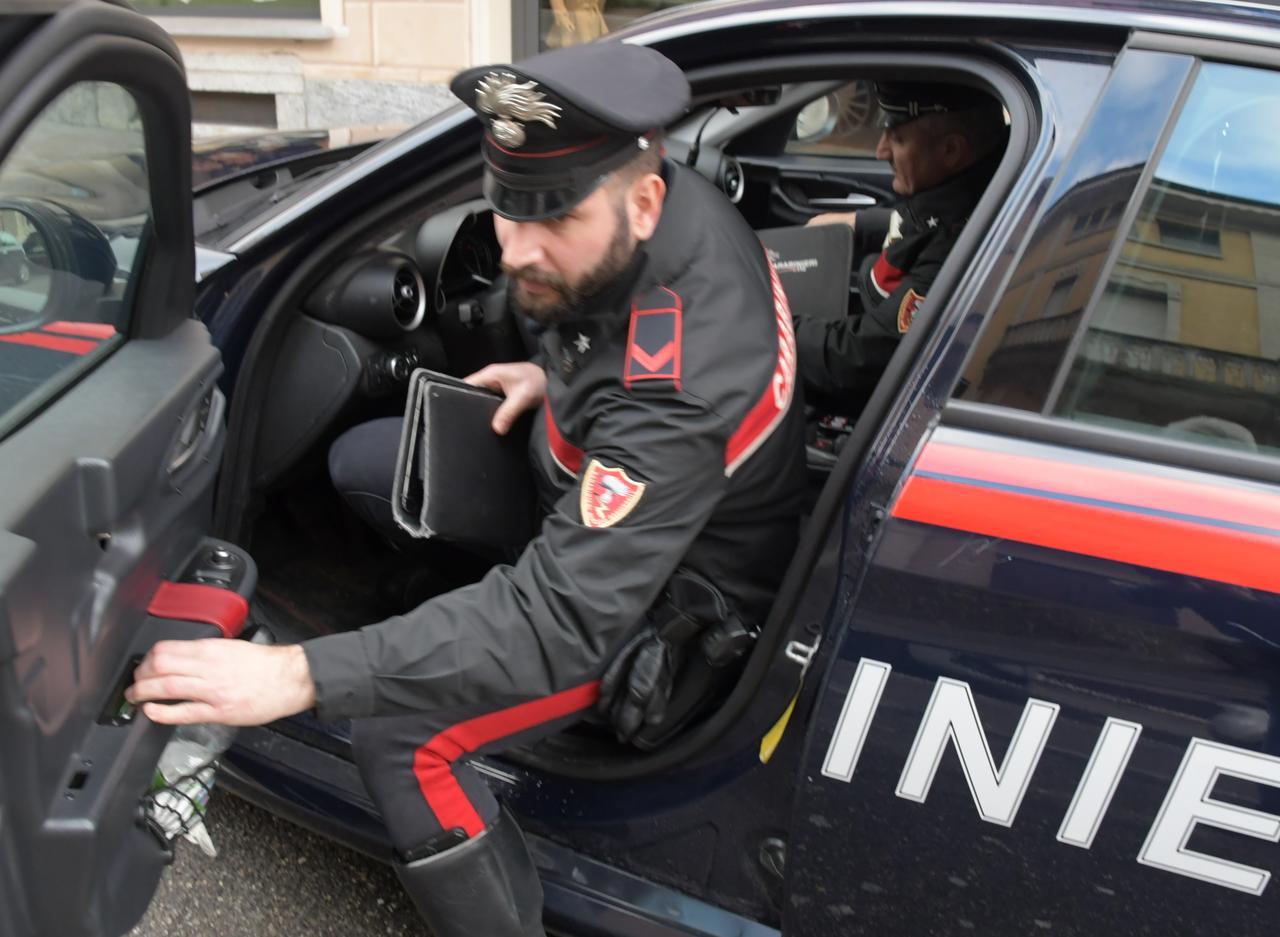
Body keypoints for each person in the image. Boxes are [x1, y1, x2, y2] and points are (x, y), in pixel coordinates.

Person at [126, 42, 807, 937]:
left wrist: (294, 673)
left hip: (666, 604)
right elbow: (614, 338)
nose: (518, 249)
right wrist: (552, 381)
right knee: (368, 461)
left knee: (400, 733)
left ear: (642, 202)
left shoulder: (681, 378)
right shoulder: (668, 205)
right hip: (616, 494)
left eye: (555, 218)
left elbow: (560, 622)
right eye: (506, 207)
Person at [795, 81, 1007, 411]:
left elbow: (856, 360)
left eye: (896, 139)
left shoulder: (959, 247)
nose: (881, 151)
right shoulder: (975, 188)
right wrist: (858, 224)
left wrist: (768, 324)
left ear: (951, 151)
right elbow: (919, 222)